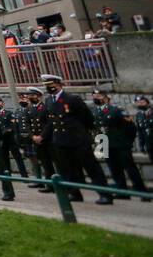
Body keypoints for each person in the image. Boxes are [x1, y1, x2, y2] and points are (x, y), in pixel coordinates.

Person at [38, 74, 113, 205]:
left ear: (59, 85)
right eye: (47, 86)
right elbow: (51, 121)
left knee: (91, 168)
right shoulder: (49, 101)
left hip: (77, 140)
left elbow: (88, 118)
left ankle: (104, 194)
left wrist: (81, 132)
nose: (49, 88)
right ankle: (74, 192)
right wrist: (44, 136)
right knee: (67, 169)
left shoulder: (72, 99)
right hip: (60, 140)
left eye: (51, 85)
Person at [94, 90, 147, 199]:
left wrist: (127, 142)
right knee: (115, 170)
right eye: (94, 96)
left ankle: (142, 192)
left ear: (106, 98)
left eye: (99, 96)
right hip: (106, 145)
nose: (96, 98)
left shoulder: (117, 110)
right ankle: (122, 192)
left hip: (121, 145)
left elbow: (131, 128)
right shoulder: (95, 112)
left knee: (130, 169)